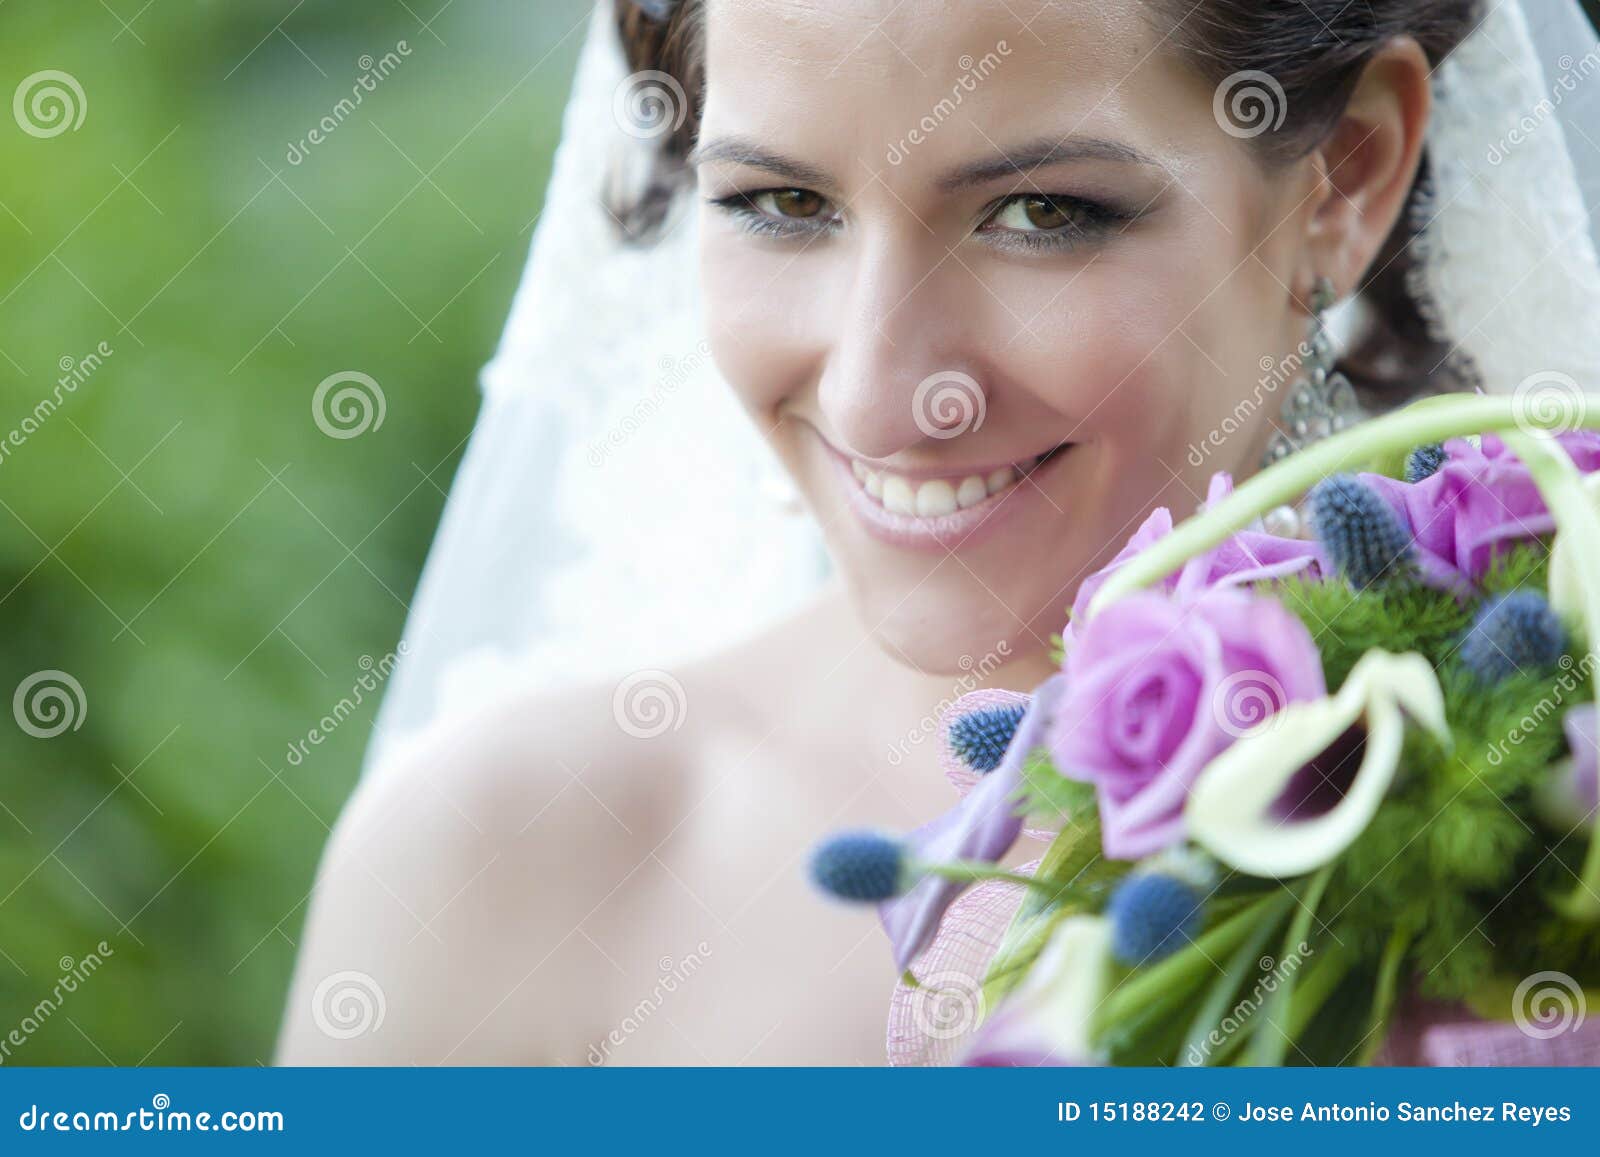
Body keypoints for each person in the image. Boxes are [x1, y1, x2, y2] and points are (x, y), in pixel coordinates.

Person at [275, 0, 1596, 1064]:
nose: (874, 392)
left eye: (1042, 214)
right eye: (782, 206)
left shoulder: (1552, 785)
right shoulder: (501, 860)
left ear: (1343, 178)